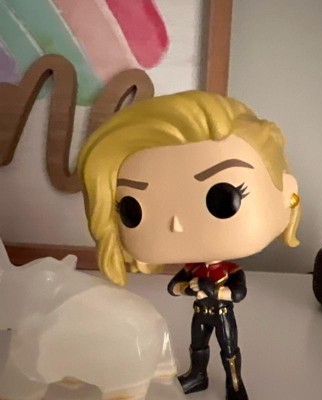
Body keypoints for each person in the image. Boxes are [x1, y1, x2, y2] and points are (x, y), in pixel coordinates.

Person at [78, 90, 301, 400]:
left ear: (288, 194)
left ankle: (234, 383)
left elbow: (238, 293)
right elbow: (174, 287)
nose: (176, 224)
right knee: (197, 346)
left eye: (221, 198)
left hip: (222, 314)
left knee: (228, 349)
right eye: (132, 209)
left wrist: (213, 290)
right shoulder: (193, 269)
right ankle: (198, 375)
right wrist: (190, 287)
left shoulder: (229, 270)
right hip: (200, 312)